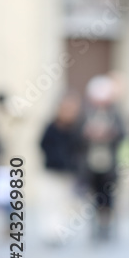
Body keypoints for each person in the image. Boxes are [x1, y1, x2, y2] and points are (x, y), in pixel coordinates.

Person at [76, 75, 124, 242]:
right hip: (90, 164)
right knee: (92, 197)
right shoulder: (84, 113)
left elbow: (123, 133)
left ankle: (107, 226)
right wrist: (87, 133)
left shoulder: (114, 113)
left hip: (109, 164)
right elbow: (75, 137)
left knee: (108, 197)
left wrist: (110, 133)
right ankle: (94, 228)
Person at [39, 93, 82, 245]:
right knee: (51, 203)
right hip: (52, 171)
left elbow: (79, 149)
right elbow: (43, 145)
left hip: (69, 173)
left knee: (67, 205)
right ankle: (51, 234)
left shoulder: (76, 128)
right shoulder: (51, 127)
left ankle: (60, 232)